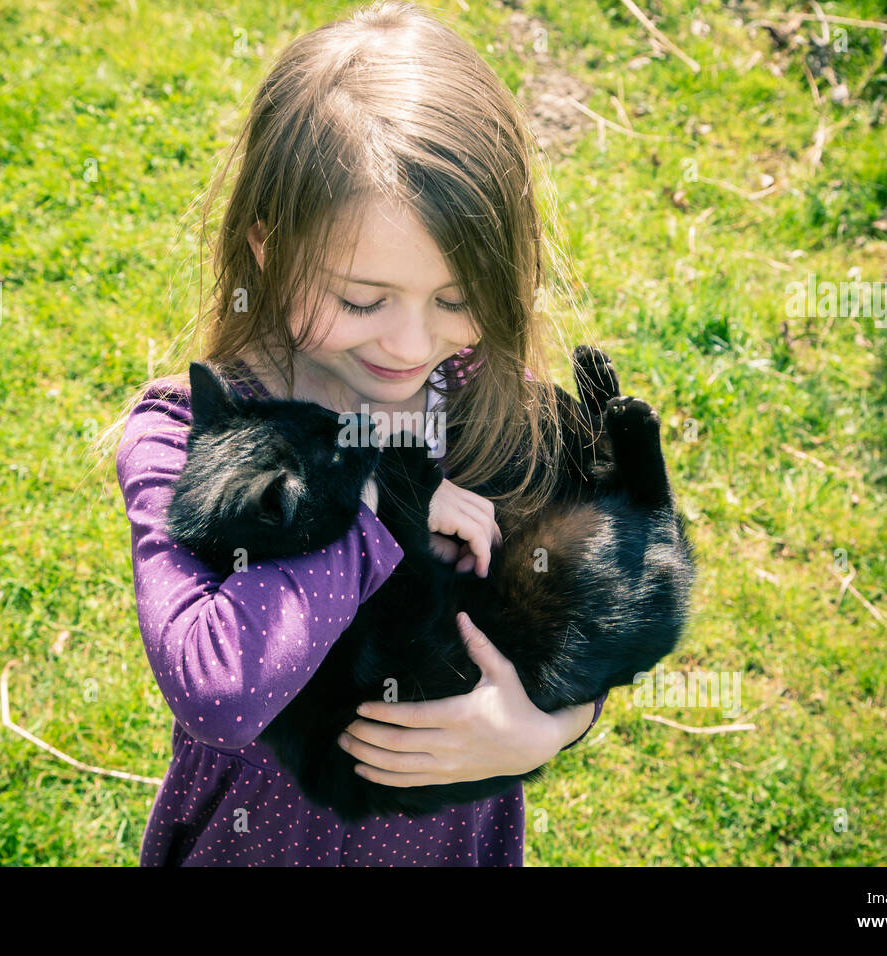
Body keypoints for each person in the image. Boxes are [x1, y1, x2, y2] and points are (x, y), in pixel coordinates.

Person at [105, 0, 608, 866]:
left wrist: (550, 725)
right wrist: (376, 500)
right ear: (267, 246)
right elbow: (220, 694)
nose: (412, 345)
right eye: (362, 300)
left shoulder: (485, 398)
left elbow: (591, 611)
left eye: (456, 300)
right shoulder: (191, 434)